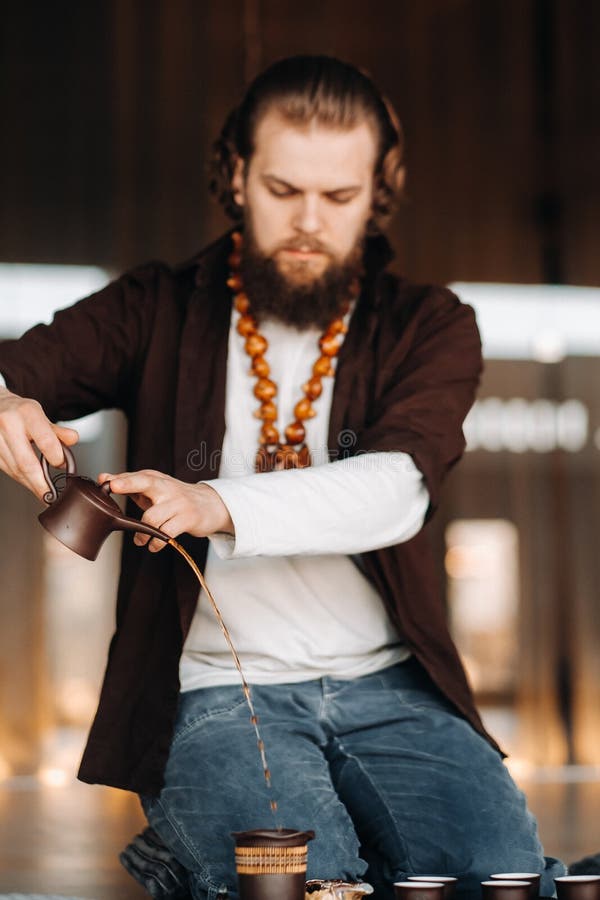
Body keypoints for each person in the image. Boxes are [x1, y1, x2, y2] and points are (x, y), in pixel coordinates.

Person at [0, 56, 566, 900]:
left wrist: (212, 501)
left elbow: (397, 487)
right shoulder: (155, 308)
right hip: (217, 688)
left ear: (380, 190)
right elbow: (12, 372)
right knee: (296, 886)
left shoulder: (431, 325)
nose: (308, 221)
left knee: (500, 881)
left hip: (394, 685)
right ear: (235, 175)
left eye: (339, 198)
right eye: (282, 189)